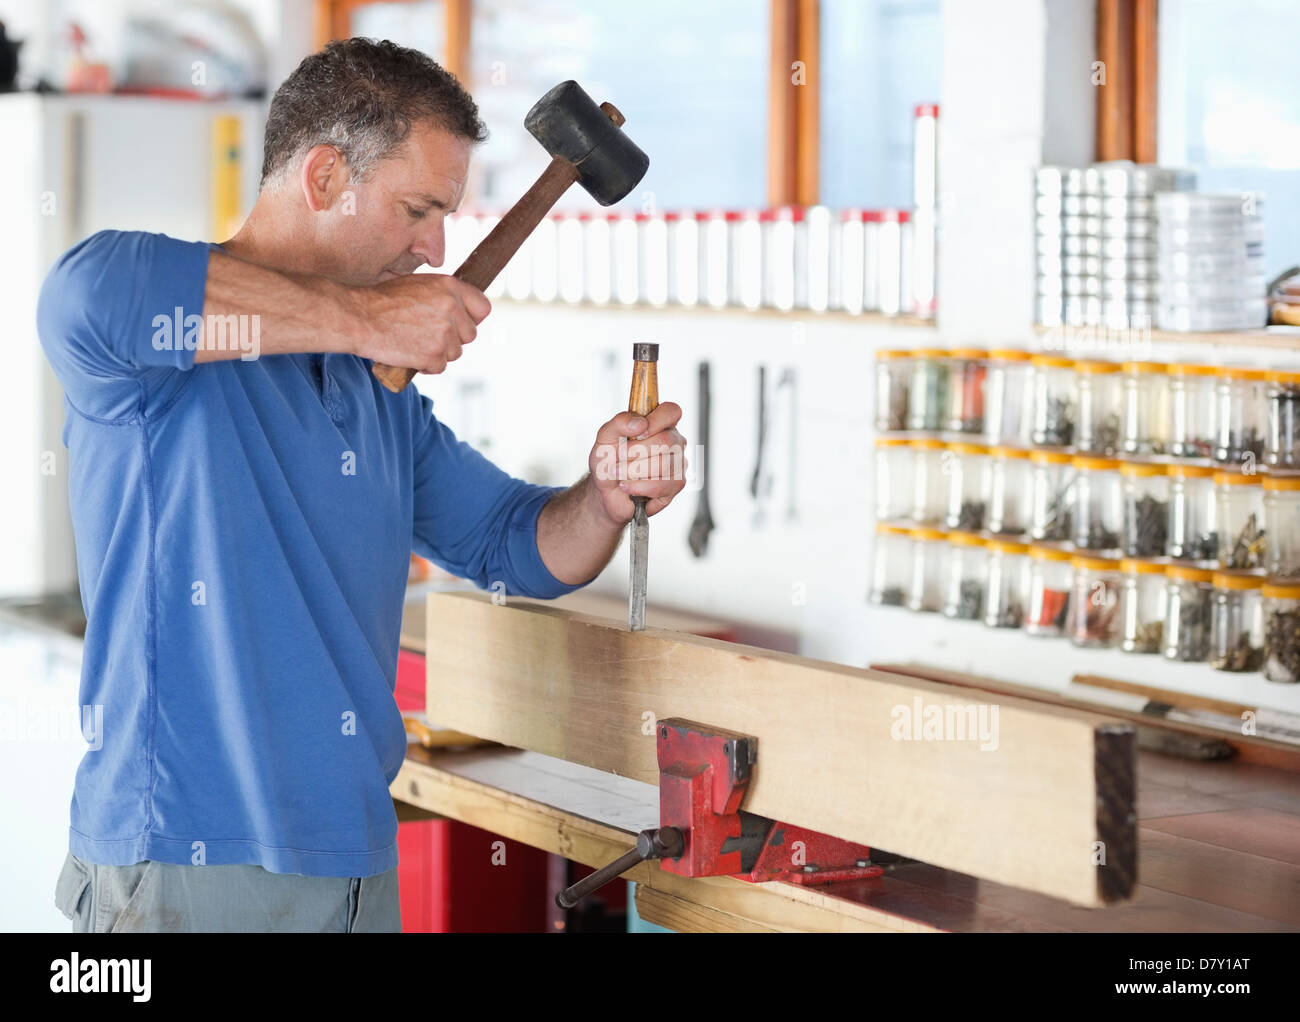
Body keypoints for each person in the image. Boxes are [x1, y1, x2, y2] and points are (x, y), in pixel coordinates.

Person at [38, 37, 687, 933]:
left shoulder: (378, 397)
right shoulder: (153, 355)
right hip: (186, 863)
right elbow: (89, 295)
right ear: (322, 176)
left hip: (355, 869)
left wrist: (605, 495)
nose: (435, 247)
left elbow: (517, 546)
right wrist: (365, 319)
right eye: (418, 210)